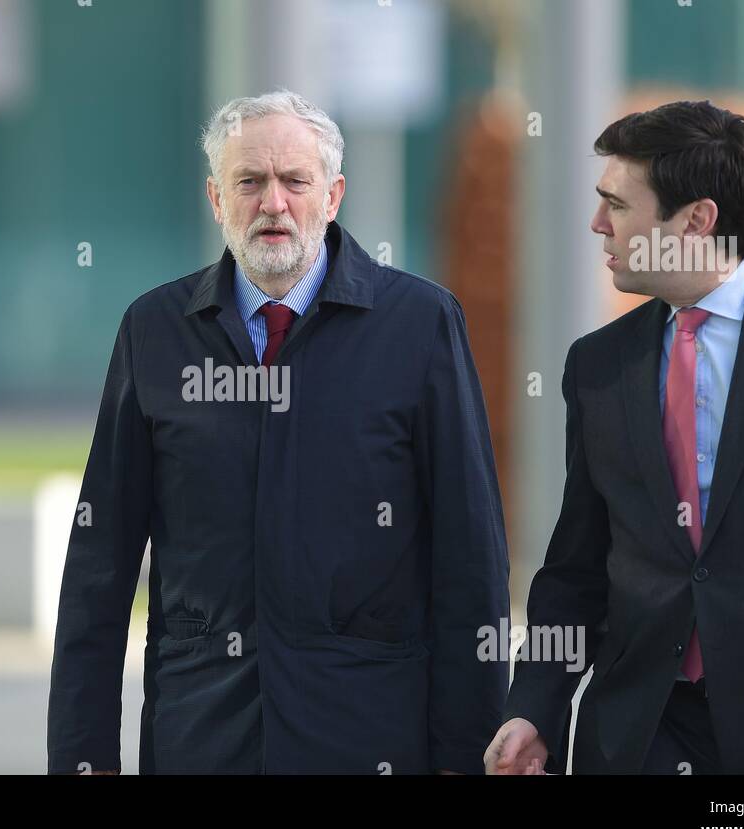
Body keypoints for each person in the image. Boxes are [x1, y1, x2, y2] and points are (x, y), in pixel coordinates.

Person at [48, 90, 508, 774]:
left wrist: (464, 756)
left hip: (369, 740)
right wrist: (83, 756)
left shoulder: (420, 325)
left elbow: (470, 560)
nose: (274, 203)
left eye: (295, 181)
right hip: (200, 737)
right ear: (215, 197)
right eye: (249, 182)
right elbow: (99, 566)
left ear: (333, 195)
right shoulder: (155, 330)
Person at [486, 100, 744, 775]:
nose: (597, 224)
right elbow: (577, 567)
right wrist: (534, 707)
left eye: (617, 204)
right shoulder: (598, 366)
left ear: (696, 220)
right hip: (641, 736)